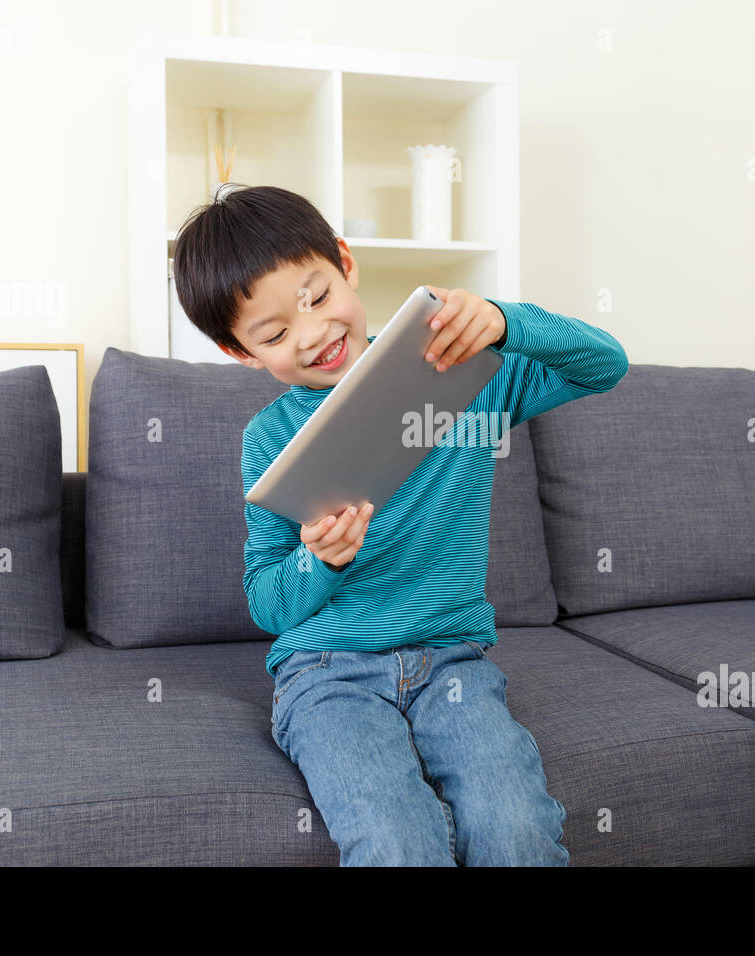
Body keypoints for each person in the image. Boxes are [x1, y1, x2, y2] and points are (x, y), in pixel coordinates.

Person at [172, 184, 628, 865]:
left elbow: (605, 364)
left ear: (347, 265)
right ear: (242, 353)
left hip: (453, 661)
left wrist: (505, 321)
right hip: (325, 674)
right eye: (273, 334)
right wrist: (319, 562)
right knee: (395, 841)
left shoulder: (459, 363)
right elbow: (268, 602)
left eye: (319, 297)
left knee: (515, 828)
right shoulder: (268, 440)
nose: (314, 334)